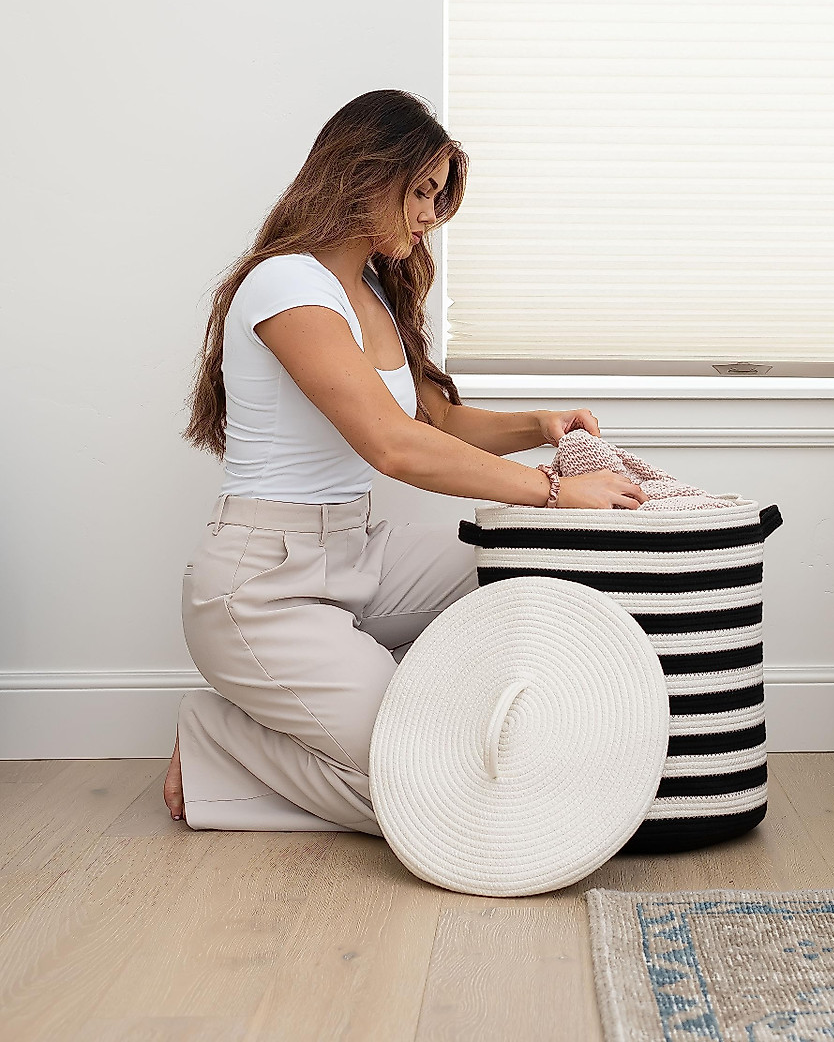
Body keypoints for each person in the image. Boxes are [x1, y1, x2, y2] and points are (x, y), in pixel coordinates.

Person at [167, 89, 647, 831]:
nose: (430, 214)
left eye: (435, 195)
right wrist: (552, 491)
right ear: (365, 173)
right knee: (428, 786)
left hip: (355, 553)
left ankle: (356, 714)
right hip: (262, 586)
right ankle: (219, 741)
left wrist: (540, 426)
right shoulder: (286, 284)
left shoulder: (371, 291)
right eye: (420, 191)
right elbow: (390, 444)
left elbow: (439, 421)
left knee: (528, 560)